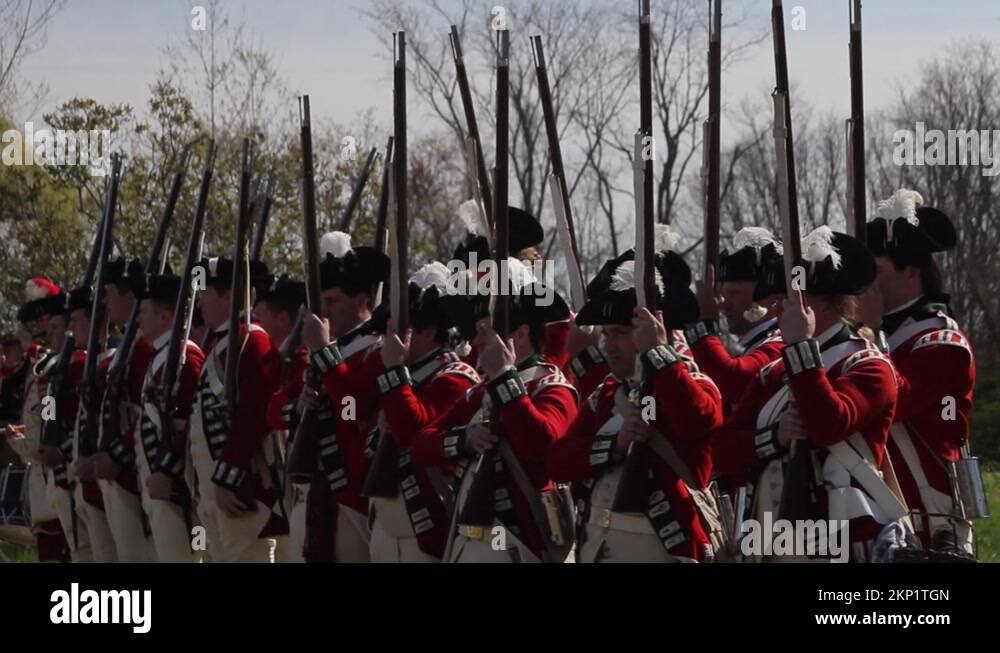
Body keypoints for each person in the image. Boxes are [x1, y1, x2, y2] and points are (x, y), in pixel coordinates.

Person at [711, 227, 905, 562]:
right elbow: (722, 449)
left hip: (842, 545)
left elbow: (829, 423)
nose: (780, 310)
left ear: (821, 305)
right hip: (771, 542)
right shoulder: (775, 373)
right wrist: (774, 438)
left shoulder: (869, 366)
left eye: (790, 300)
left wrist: (801, 346)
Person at [548, 241, 724, 562]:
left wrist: (659, 356)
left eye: (619, 333)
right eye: (606, 335)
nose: (609, 345)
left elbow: (696, 420)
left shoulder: (691, 382)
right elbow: (558, 461)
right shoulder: (607, 394)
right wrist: (613, 445)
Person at [410, 262, 578, 563]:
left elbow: (541, 447)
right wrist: (465, 439)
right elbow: (422, 444)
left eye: (483, 331)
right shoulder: (480, 393)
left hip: (521, 546)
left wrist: (505, 378)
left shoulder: (553, 388)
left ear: (521, 334)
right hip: (470, 543)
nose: (474, 342)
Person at [860, 189, 977, 555]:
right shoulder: (884, 334)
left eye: (876, 272)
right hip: (880, 510)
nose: (866, 285)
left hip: (925, 515)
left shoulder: (941, 341)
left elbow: (891, 400)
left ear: (911, 271)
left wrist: (866, 329)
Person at [367, 262, 480, 562]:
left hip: (424, 534)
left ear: (430, 333)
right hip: (385, 527)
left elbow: (412, 432)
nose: (389, 338)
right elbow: (355, 426)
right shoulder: (405, 377)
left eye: (404, 330)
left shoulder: (456, 377)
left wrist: (393, 371)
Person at [300, 231, 389, 563]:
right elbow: (276, 410)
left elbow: (353, 410)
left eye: (332, 301)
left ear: (362, 302)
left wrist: (323, 353)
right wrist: (302, 403)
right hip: (322, 491)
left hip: (354, 494)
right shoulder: (328, 352)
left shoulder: (377, 352)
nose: (324, 311)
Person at [189, 257, 285, 563]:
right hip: (216, 488)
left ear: (229, 297)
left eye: (206, 293)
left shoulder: (251, 342)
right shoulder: (223, 345)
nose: (200, 301)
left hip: (242, 489)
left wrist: (228, 478)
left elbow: (255, 416)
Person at [89, 257, 158, 563]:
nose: (104, 302)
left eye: (109, 293)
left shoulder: (144, 348)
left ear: (129, 295)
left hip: (135, 471)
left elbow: (148, 412)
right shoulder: (129, 349)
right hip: (120, 470)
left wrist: (115, 454)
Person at [135, 274, 206, 563]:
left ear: (165, 316)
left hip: (177, 487)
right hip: (158, 480)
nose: (137, 318)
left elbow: (191, 422)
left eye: (144, 311)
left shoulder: (185, 357)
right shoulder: (162, 356)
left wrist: (168, 471)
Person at [686, 227, 786, 409]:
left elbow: (732, 380)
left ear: (769, 296)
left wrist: (705, 324)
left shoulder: (781, 344)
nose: (723, 304)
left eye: (734, 293)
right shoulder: (755, 347)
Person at [258, 274, 309, 562]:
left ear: (283, 319)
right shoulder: (282, 359)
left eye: (261, 314)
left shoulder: (301, 360)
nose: (255, 321)